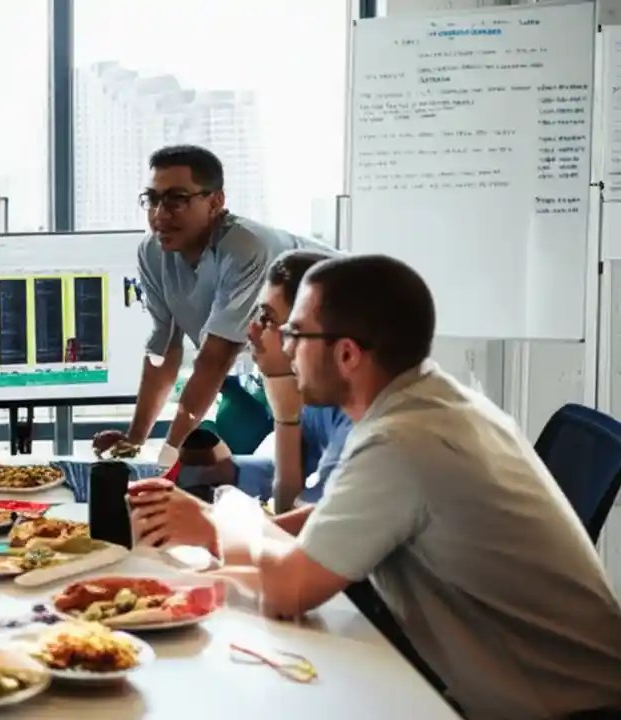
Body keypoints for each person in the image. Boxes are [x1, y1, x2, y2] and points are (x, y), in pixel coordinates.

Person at [130, 254, 621, 719]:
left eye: (295, 332)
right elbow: (335, 516)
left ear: (346, 354)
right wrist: (239, 528)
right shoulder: (432, 402)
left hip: (559, 709)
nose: (283, 345)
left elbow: (288, 592)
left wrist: (215, 526)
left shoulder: (404, 442)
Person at [93, 144, 331, 469]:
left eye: (177, 199)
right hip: (270, 368)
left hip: (336, 359)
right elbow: (163, 351)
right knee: (217, 456)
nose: (160, 214)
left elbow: (214, 359)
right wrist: (133, 441)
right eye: (152, 199)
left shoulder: (245, 248)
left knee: (309, 462)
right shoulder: (152, 252)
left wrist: (167, 460)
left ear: (216, 202)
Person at [170, 250, 352, 512]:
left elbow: (303, 521)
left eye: (267, 319)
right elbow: (294, 473)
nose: (251, 331)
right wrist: (227, 472)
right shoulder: (317, 401)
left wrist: (284, 415)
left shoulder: (356, 421)